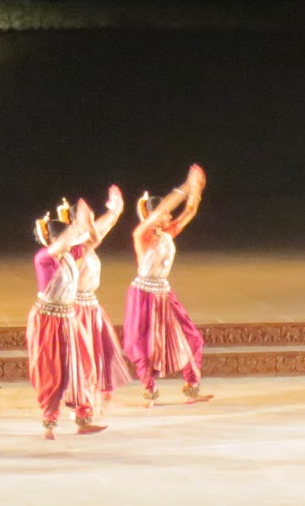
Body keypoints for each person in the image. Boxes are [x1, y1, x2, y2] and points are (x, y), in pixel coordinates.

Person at [123, 164, 211, 406]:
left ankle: (191, 386)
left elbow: (190, 211)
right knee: (144, 345)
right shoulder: (141, 234)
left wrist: (197, 189)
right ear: (152, 216)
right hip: (143, 295)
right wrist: (186, 184)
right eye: (165, 214)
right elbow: (165, 207)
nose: (170, 217)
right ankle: (148, 391)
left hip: (164, 293)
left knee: (192, 337)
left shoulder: (166, 233)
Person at [28, 198, 103, 438]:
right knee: (52, 371)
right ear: (53, 241)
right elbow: (65, 242)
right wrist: (79, 222)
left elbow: (94, 240)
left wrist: (89, 221)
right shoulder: (44, 258)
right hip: (48, 320)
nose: (72, 243)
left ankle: (83, 419)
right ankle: (49, 424)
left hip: (69, 319)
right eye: (67, 240)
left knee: (81, 367)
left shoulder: (71, 254)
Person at [73, 186, 134, 410]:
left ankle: (96, 390)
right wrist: (93, 219)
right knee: (84, 355)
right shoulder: (71, 249)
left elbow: (99, 231)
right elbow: (95, 237)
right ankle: (83, 400)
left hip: (91, 305)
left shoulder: (84, 244)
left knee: (103, 348)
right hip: (77, 308)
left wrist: (115, 212)